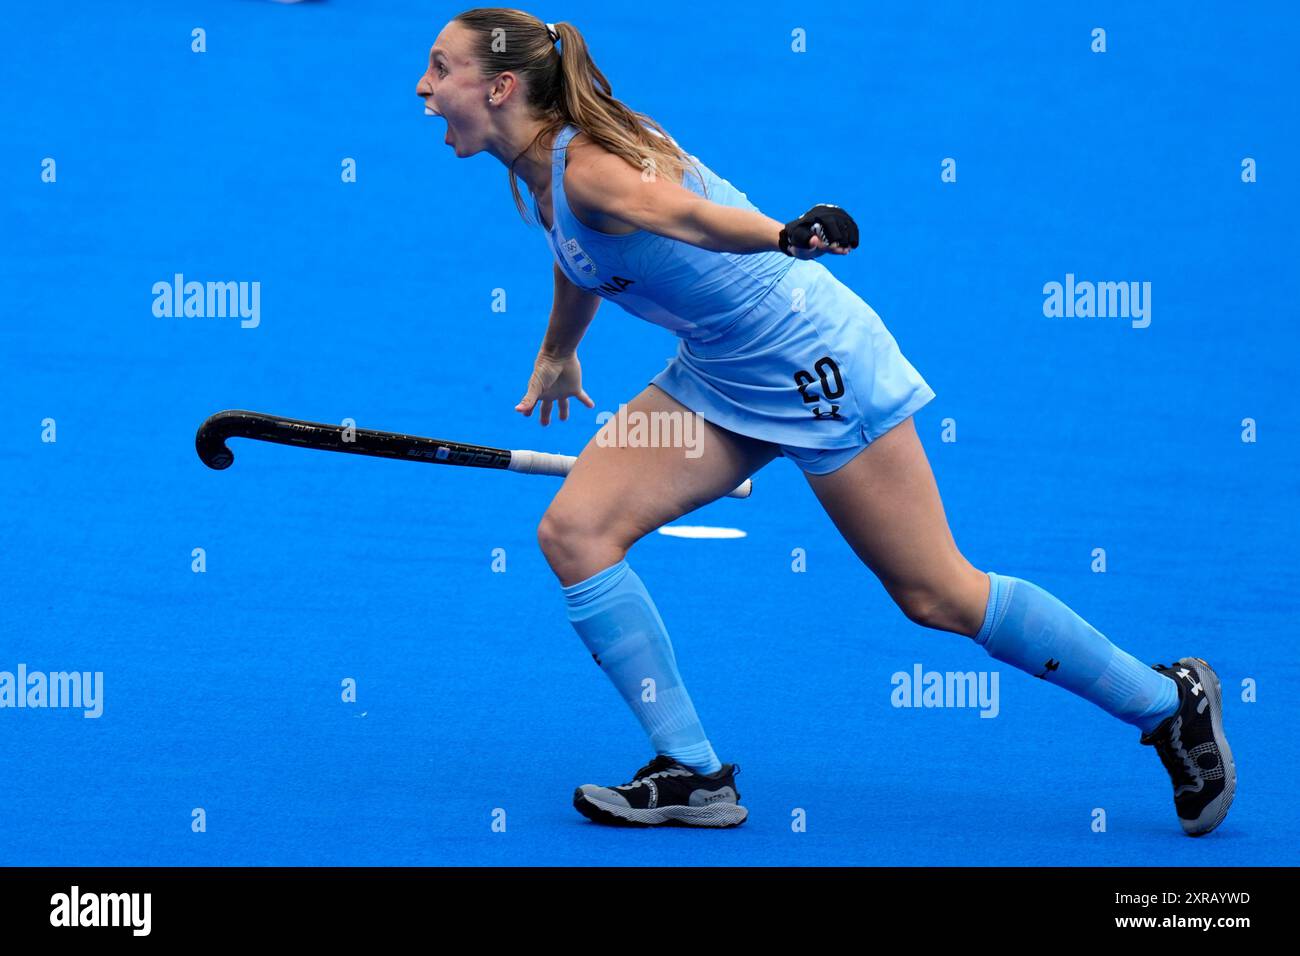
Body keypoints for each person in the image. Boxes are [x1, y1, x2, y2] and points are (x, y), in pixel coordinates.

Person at [416, 9, 1235, 833]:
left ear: (500, 86)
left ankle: (1167, 702)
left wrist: (784, 233)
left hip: (814, 366)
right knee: (575, 533)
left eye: (439, 69)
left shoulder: (587, 168)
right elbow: (581, 253)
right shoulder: (537, 171)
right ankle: (693, 772)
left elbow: (691, 219)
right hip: (718, 372)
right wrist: (559, 352)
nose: (423, 87)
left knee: (935, 593)